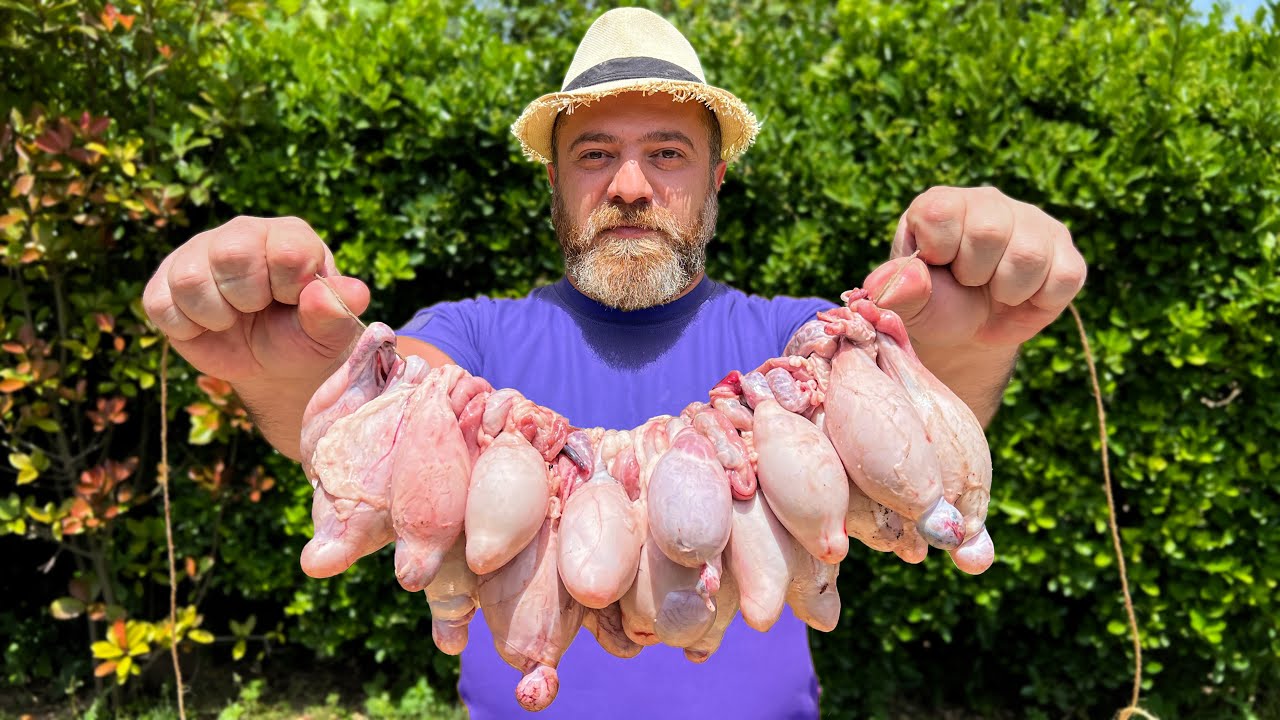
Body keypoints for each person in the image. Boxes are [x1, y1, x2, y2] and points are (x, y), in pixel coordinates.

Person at [143, 7, 1086, 719]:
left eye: (667, 153)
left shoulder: (798, 337)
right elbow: (372, 432)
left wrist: (965, 343)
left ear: (716, 178)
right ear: (554, 181)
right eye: (594, 154)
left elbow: (906, 437)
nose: (630, 185)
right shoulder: (465, 336)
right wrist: (280, 372)